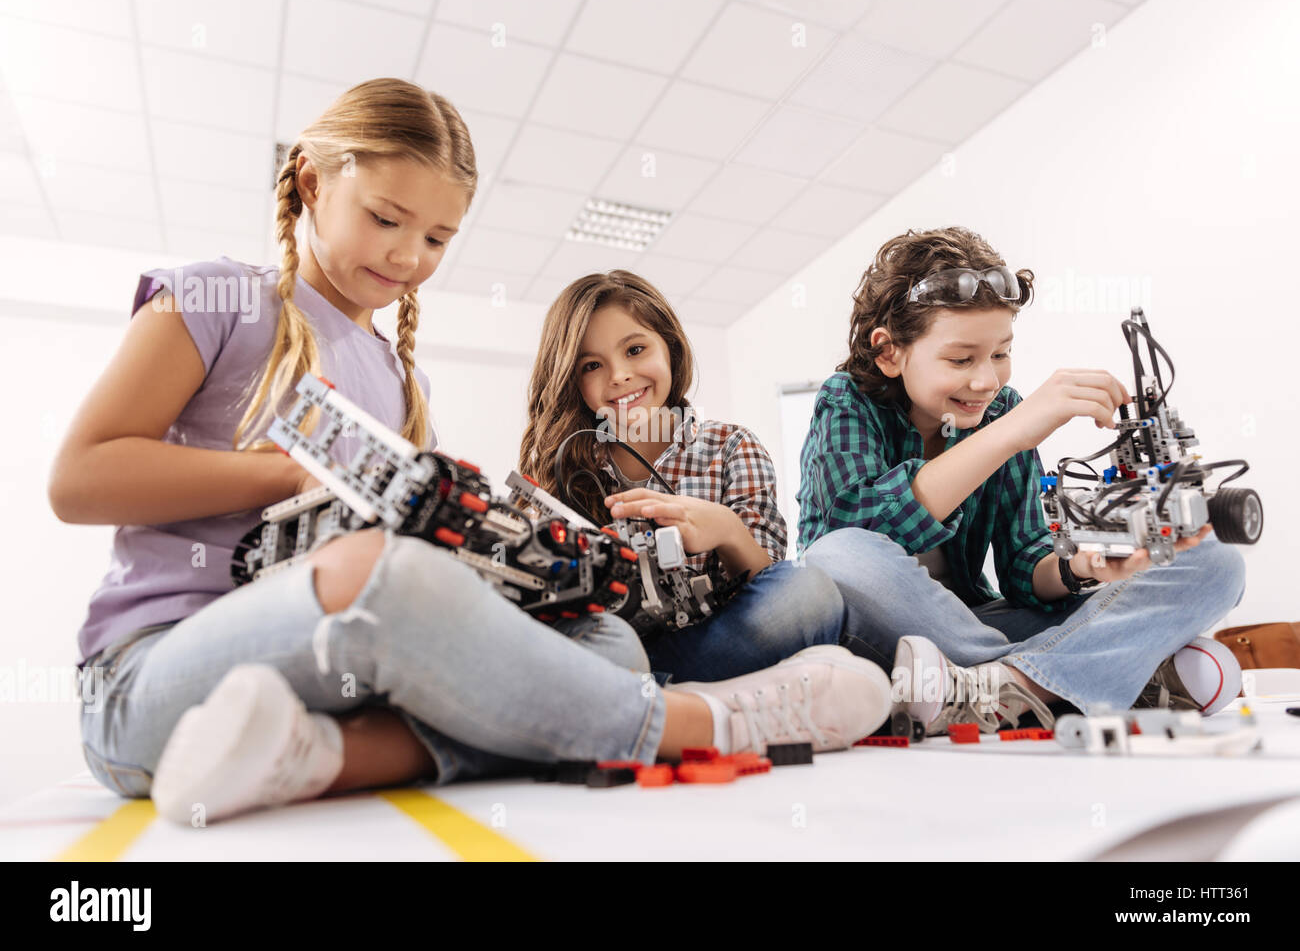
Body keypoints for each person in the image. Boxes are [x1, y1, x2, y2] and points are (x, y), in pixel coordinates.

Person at [50, 79, 888, 826]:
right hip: (152, 679)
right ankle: (708, 721)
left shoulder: (394, 373)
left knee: (599, 637)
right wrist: (291, 470)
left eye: (438, 240)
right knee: (390, 578)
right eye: (385, 219)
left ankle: (314, 754)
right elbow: (79, 479)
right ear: (311, 181)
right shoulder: (216, 296)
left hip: (330, 678)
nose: (409, 258)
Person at [797, 226, 1246, 735]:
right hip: (870, 633)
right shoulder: (846, 400)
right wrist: (1008, 434)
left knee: (1216, 561)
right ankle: (1074, 676)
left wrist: (1086, 564)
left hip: (972, 630)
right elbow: (859, 526)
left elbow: (1024, 566)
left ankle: (1008, 688)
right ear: (889, 353)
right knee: (839, 555)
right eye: (961, 359)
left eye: (1000, 354)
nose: (986, 380)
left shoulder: (1002, 412)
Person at [518, 271, 845, 683]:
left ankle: (655, 703)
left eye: (635, 349)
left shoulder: (730, 447)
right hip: (607, 656)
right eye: (592, 365)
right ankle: (676, 703)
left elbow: (773, 590)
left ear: (670, 348)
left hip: (710, 648)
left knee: (808, 595)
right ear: (572, 381)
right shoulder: (559, 472)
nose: (618, 375)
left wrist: (727, 531)